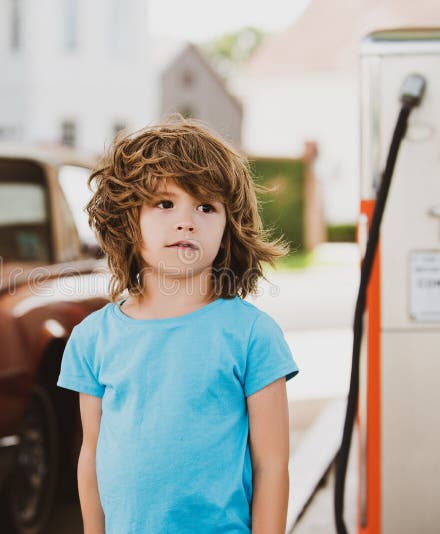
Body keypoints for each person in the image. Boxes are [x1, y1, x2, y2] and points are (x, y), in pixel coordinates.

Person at [56, 116, 299, 534]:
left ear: (227, 229)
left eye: (206, 206)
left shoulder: (252, 335)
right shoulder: (93, 338)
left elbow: (272, 464)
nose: (186, 220)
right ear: (128, 221)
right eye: (164, 204)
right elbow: (91, 454)